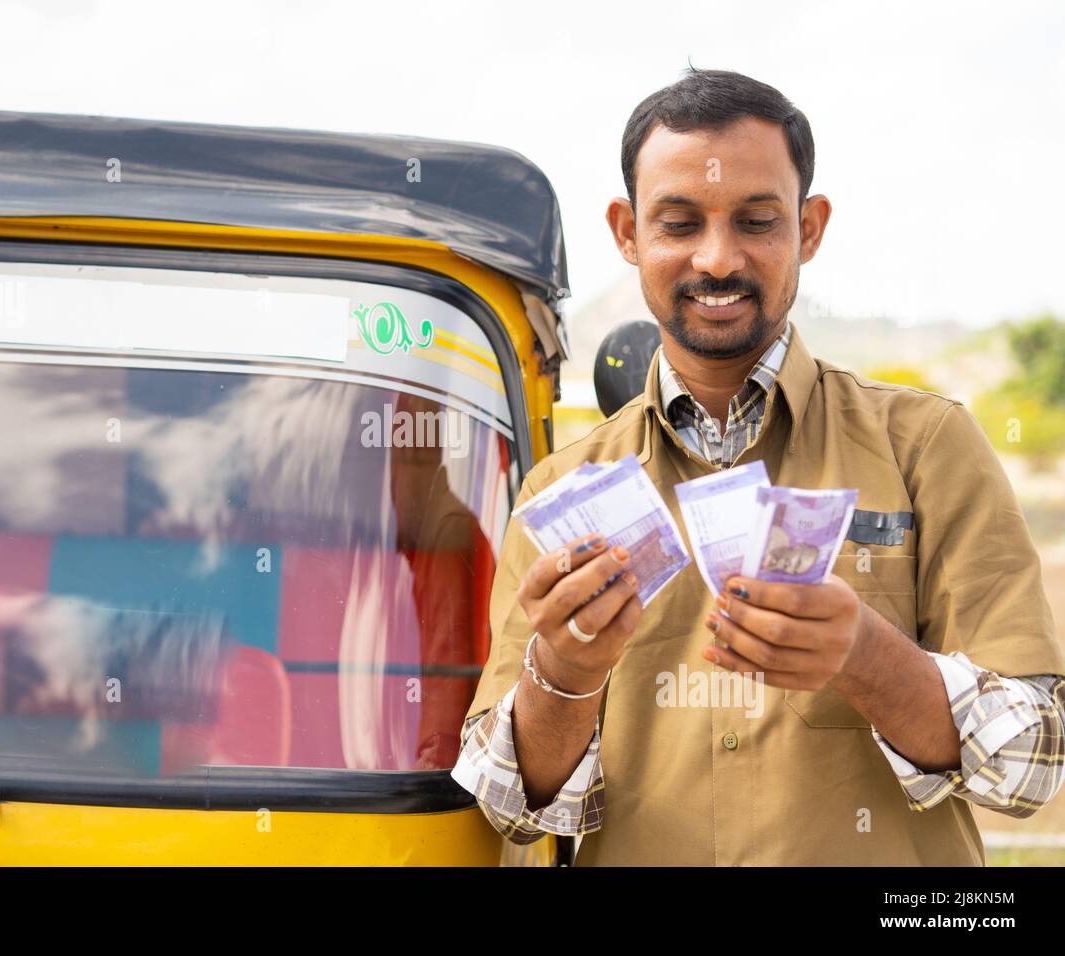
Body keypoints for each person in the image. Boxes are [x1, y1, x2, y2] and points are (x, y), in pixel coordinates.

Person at [452, 67, 1065, 865]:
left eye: (756, 221)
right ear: (627, 232)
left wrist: (869, 657)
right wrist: (564, 674)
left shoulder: (927, 446)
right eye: (678, 223)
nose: (716, 259)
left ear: (808, 228)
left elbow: (1034, 765)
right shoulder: (560, 490)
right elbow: (511, 808)